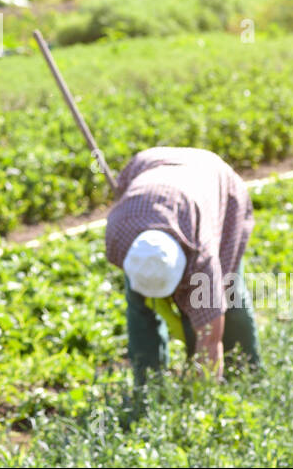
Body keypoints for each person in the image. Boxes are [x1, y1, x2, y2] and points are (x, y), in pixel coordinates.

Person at [104, 147, 262, 387]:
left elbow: (210, 341)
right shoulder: (119, 236)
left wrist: (203, 398)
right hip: (151, 165)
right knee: (139, 308)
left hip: (214, 180)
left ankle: (248, 374)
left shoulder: (203, 261)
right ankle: (148, 385)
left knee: (230, 296)